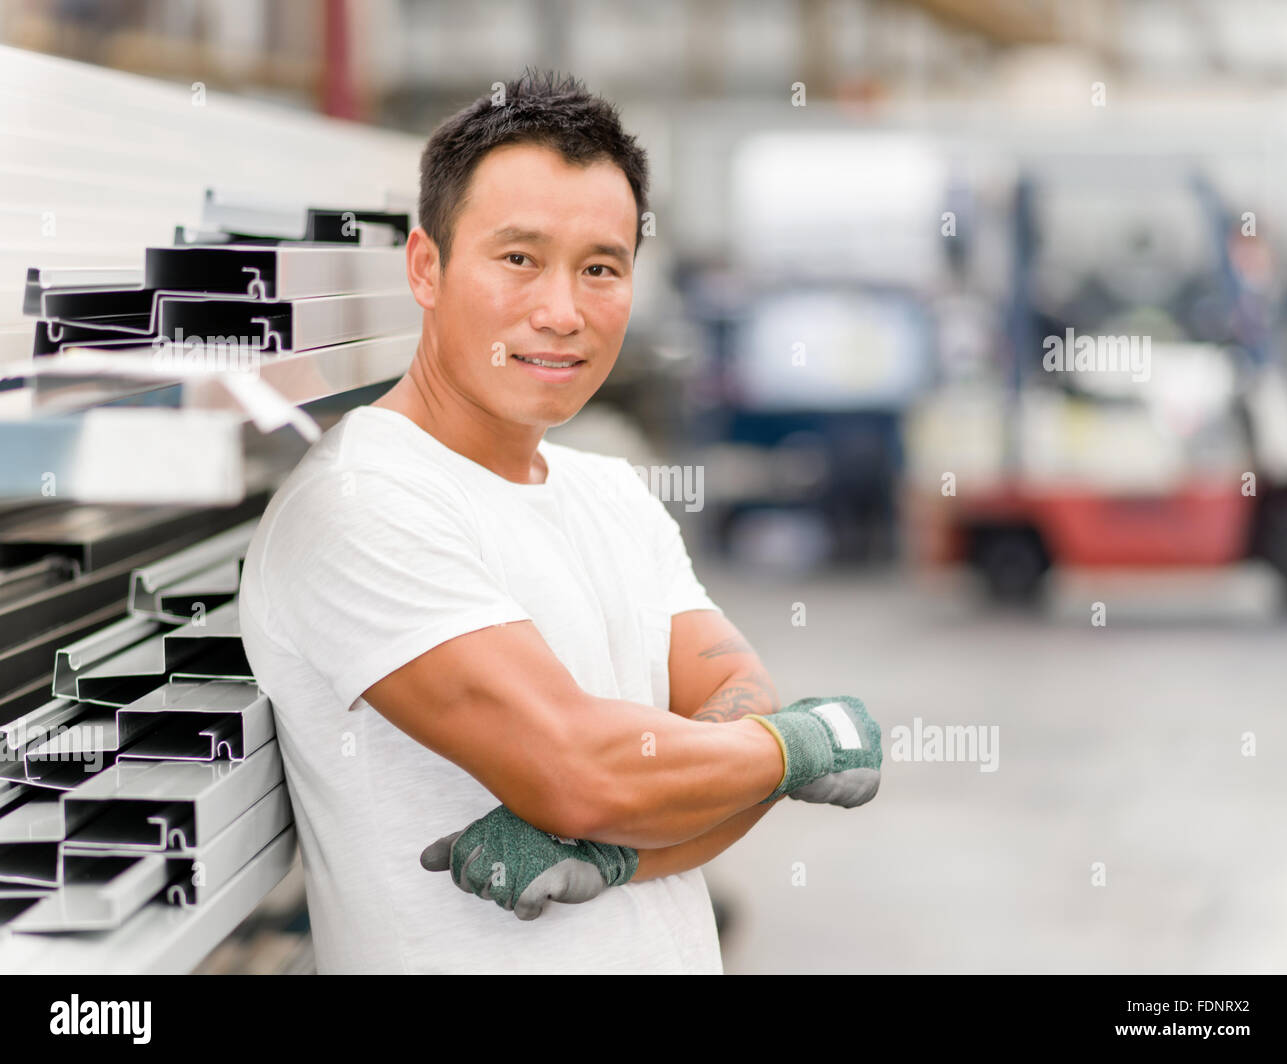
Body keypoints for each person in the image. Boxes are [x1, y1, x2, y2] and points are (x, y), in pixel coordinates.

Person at [237, 68, 880, 975]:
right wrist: (800, 750)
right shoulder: (362, 502)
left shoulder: (610, 492)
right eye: (518, 258)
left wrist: (608, 851)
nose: (561, 312)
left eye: (601, 268)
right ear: (427, 266)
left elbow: (736, 719)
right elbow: (582, 772)